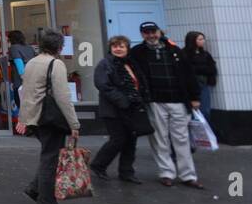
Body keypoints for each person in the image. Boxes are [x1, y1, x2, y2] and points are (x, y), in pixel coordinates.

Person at [129, 21, 203, 189]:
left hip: (178, 100)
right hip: (154, 101)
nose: (151, 35)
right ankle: (166, 173)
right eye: (146, 32)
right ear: (142, 35)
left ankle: (188, 175)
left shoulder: (174, 51)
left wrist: (194, 97)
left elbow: (189, 74)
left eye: (153, 31)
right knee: (159, 139)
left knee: (182, 138)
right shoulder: (138, 52)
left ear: (159, 32)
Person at [16, 30, 81, 204]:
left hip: (34, 117)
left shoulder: (31, 63)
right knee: (50, 159)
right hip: (50, 117)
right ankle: (47, 201)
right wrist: (74, 124)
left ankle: (35, 188)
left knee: (49, 155)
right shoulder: (56, 64)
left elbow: (25, 90)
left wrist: (24, 118)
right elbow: (63, 97)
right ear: (59, 47)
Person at [89, 36, 148, 184]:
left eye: (121, 46)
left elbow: (139, 83)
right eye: (115, 46)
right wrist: (122, 99)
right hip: (113, 110)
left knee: (131, 140)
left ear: (127, 48)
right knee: (118, 139)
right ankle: (98, 165)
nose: (118, 49)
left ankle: (126, 172)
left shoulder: (131, 64)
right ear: (110, 48)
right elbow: (103, 85)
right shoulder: (105, 64)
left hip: (131, 109)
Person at [183, 31, 218, 122]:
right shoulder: (184, 54)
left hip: (203, 83)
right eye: (200, 39)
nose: (203, 41)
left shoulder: (205, 54)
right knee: (193, 110)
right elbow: (187, 70)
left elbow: (212, 69)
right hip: (191, 85)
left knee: (205, 110)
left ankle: (205, 132)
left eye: (203, 39)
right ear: (193, 40)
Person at [6, 30, 37, 118]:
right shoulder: (29, 47)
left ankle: (28, 127)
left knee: (21, 105)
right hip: (33, 80)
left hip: (20, 82)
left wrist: (24, 78)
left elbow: (19, 64)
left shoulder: (14, 48)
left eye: (9, 39)